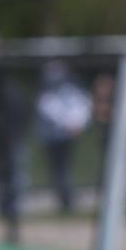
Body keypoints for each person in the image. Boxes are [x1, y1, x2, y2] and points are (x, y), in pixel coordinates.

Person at [32, 62, 92, 214]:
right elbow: (48, 108)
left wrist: (76, 124)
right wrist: (68, 124)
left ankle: (68, 197)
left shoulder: (72, 89)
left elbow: (82, 105)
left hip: (67, 136)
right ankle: (64, 197)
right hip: (53, 136)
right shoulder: (46, 93)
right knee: (58, 169)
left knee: (65, 168)